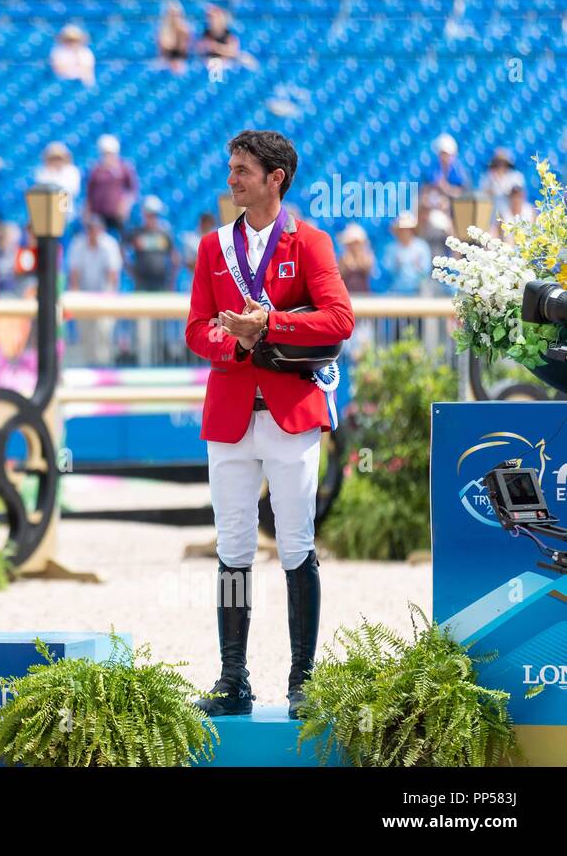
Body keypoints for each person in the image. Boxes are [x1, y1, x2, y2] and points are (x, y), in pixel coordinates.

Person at [185, 130, 354, 719]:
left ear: (275, 177)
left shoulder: (309, 242)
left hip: (288, 413)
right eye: (230, 169)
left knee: (295, 543)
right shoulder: (212, 248)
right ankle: (233, 677)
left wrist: (271, 323)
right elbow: (196, 329)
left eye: (242, 171)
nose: (231, 179)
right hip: (231, 411)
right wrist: (234, 342)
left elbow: (340, 319)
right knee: (232, 550)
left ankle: (303, 679)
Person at [67, 216, 122, 365]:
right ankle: (89, 366)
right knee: (86, 334)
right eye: (89, 228)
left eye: (95, 228)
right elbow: (74, 275)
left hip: (104, 296)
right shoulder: (78, 244)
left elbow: (112, 275)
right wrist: (77, 298)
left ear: (101, 230)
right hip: (84, 297)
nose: (92, 232)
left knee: (103, 334)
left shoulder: (109, 244)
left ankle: (103, 366)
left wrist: (107, 298)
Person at [85, 134, 138, 237]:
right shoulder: (96, 170)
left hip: (116, 214)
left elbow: (132, 189)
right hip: (98, 213)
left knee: (120, 240)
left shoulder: (123, 168)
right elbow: (90, 192)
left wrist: (125, 205)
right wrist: (88, 210)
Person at [128, 195, 179, 292]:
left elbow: (175, 258)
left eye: (155, 215)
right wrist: (131, 270)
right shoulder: (137, 233)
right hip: (142, 283)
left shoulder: (164, 233)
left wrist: (172, 281)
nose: (152, 218)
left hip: (161, 283)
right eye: (150, 214)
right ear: (144, 214)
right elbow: (123, 250)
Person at [380, 210, 433, 294]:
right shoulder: (391, 248)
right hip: (397, 291)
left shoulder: (422, 246)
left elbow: (426, 271)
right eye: (402, 229)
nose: (404, 232)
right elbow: (387, 272)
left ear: (412, 230)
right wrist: (396, 264)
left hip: (418, 291)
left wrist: (418, 266)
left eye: (407, 229)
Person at [479, 148, 525, 224]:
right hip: (493, 213)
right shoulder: (487, 177)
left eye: (503, 163)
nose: (500, 165)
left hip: (510, 212)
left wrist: (501, 186)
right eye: (498, 163)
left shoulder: (515, 176)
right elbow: (482, 194)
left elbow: (518, 194)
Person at [336, 222, 375, 293]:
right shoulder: (343, 259)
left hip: (364, 296)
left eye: (356, 243)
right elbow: (340, 274)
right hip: (348, 294)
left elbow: (368, 269)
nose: (354, 246)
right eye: (351, 244)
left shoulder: (367, 257)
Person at [155, 0, 191, 74]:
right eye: (172, 14)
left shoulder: (185, 29)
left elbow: (184, 50)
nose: (174, 17)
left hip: (181, 61)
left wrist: (181, 35)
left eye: (176, 14)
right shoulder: (163, 29)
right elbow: (165, 48)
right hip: (166, 61)